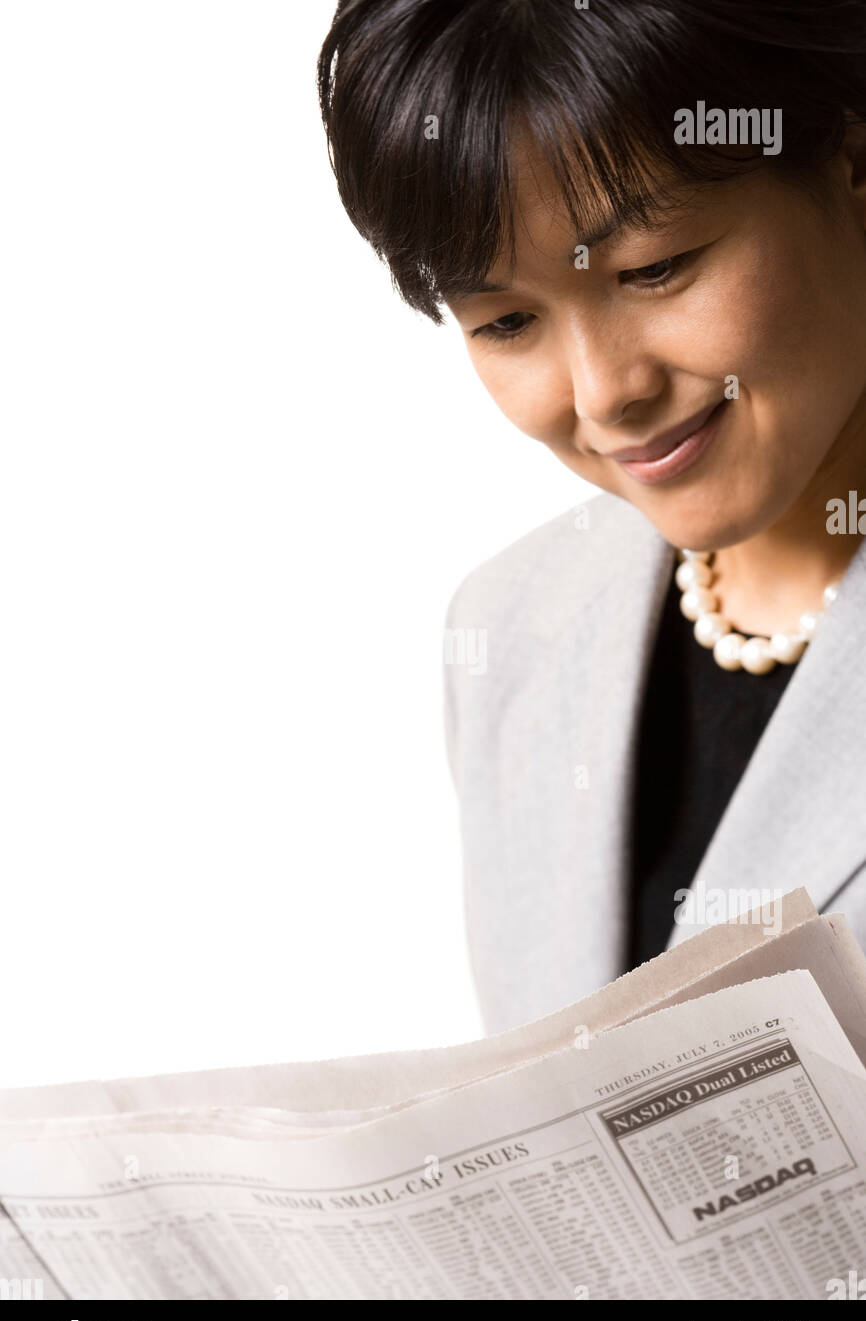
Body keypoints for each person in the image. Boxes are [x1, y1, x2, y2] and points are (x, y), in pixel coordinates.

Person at [318, 0, 866, 1032]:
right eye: (506, 321)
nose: (602, 391)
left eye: (654, 268)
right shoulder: (514, 628)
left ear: (847, 156)